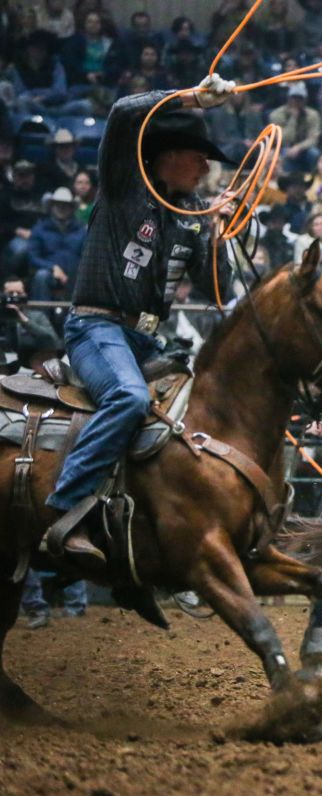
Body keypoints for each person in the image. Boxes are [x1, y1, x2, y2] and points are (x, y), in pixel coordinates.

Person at [44, 73, 238, 571]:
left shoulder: (193, 212)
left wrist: (220, 234)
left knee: (202, 407)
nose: (206, 168)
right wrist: (190, 98)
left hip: (146, 339)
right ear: (168, 155)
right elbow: (122, 112)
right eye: (199, 157)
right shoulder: (124, 182)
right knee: (129, 398)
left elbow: (219, 290)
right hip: (96, 328)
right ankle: (66, 509)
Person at [28, 187, 88, 301]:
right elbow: (33, 257)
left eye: (65, 205)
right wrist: (52, 267)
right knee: (41, 276)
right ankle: (41, 312)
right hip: (50, 274)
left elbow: (86, 256)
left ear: (71, 208)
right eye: (58, 204)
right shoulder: (39, 229)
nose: (61, 208)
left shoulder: (81, 230)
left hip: (76, 275)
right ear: (51, 207)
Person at [0, 277, 63, 374]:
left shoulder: (37, 316)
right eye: (10, 293)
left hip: (30, 366)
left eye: (19, 293)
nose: (14, 296)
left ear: (25, 295)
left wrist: (25, 321)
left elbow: (52, 339)